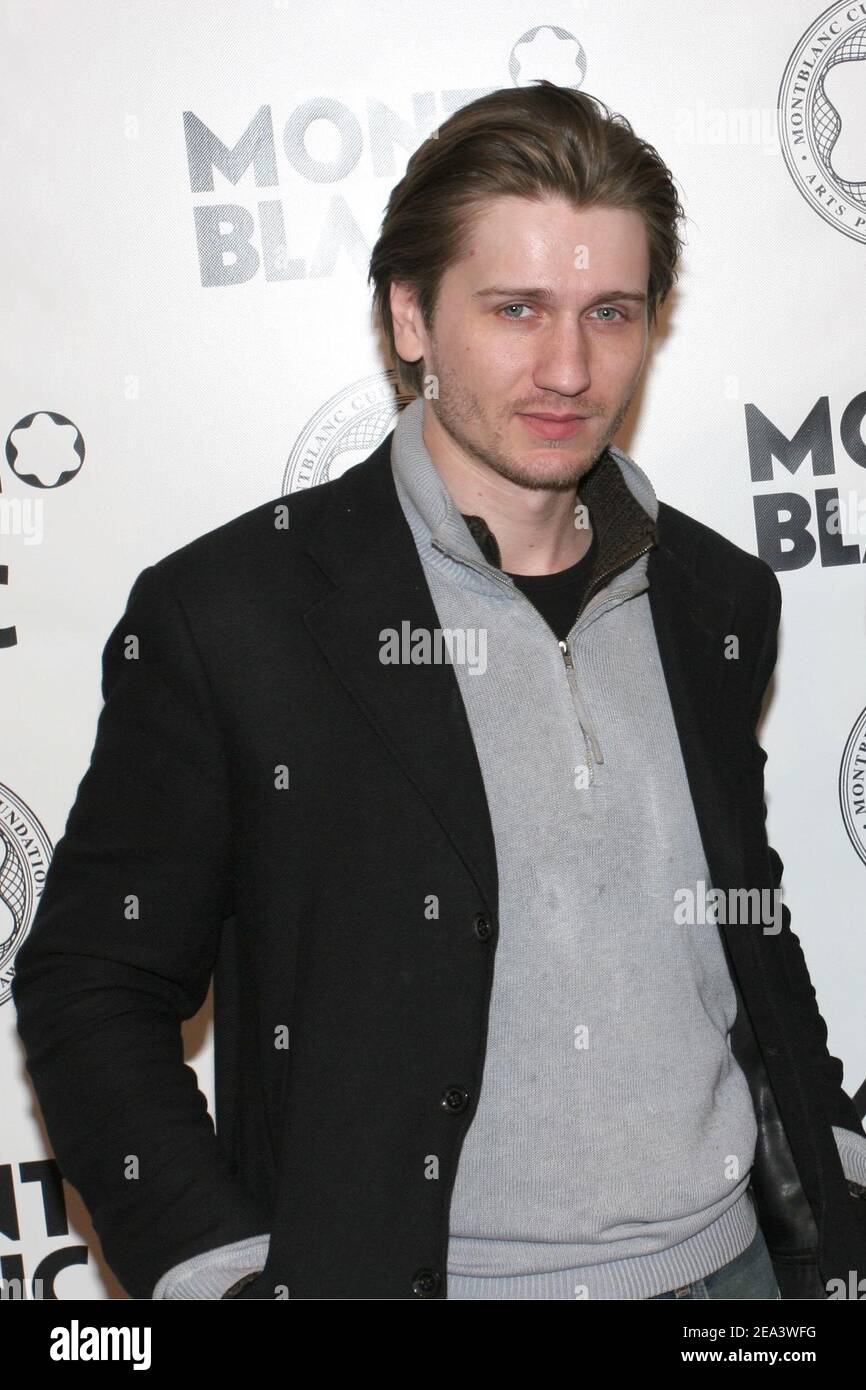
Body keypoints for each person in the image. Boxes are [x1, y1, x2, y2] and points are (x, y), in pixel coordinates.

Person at [12, 81, 866, 1302]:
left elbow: (738, 910)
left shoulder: (713, 597)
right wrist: (217, 1269)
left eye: (608, 312)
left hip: (732, 1279)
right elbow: (93, 978)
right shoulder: (233, 614)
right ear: (409, 315)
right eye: (515, 309)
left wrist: (826, 1154)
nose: (568, 367)